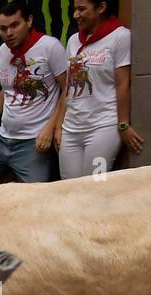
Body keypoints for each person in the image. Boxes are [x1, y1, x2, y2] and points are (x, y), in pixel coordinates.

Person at [0, 1, 67, 186]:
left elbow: (67, 90)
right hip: (2, 138)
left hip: (33, 142)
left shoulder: (49, 47)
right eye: (3, 28)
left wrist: (51, 127)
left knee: (35, 201)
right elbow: (5, 93)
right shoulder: (3, 51)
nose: (9, 33)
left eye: (15, 25)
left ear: (28, 21)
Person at [57, 0, 140, 179]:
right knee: (69, 189)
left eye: (81, 9)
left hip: (103, 128)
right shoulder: (73, 40)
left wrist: (123, 124)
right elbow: (69, 87)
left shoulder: (120, 36)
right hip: (71, 129)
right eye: (74, 10)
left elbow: (122, 84)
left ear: (101, 7)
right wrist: (59, 127)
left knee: (97, 185)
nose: (75, 15)